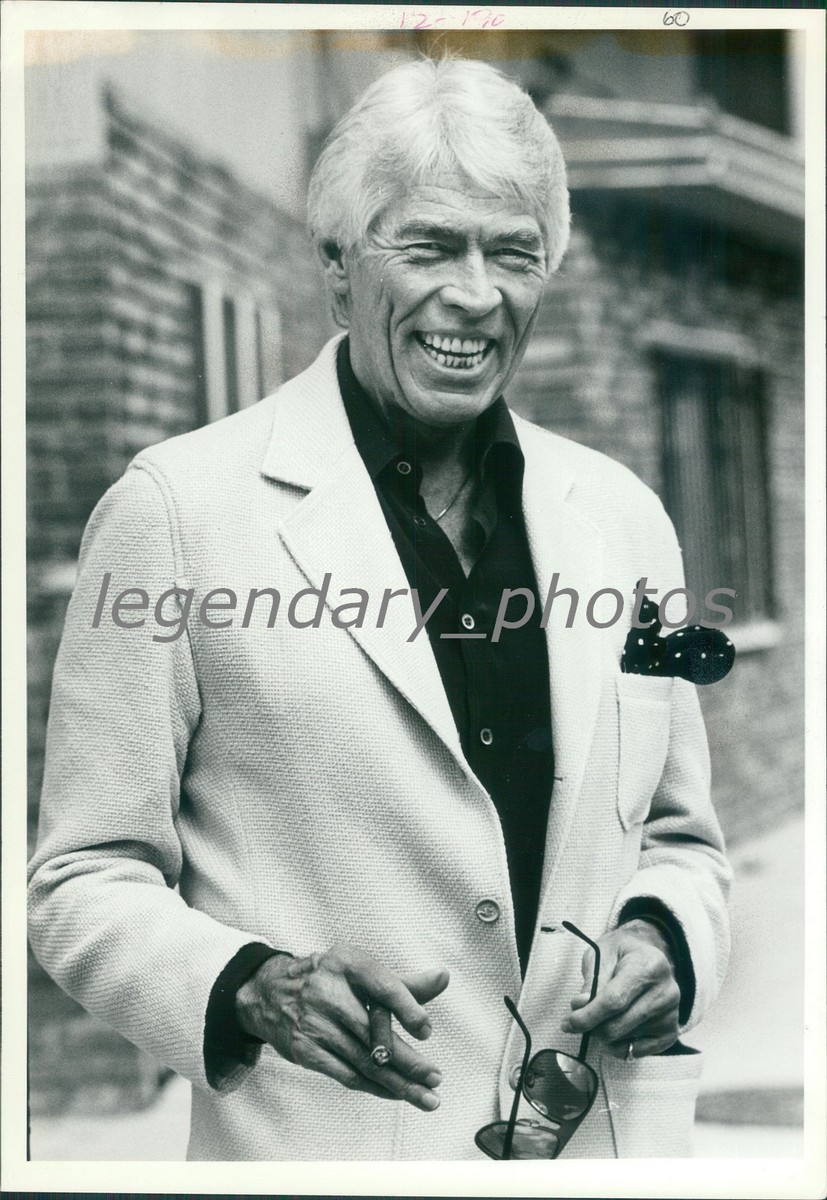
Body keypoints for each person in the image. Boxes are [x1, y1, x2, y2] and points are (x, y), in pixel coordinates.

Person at [27, 58, 731, 1161]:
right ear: (336, 265)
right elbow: (80, 882)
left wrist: (667, 937)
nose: (475, 294)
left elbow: (682, 841)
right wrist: (254, 986)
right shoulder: (176, 511)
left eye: (512, 253)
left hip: (600, 1157)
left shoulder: (623, 516)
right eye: (429, 246)